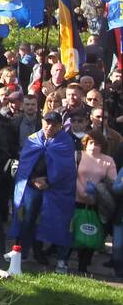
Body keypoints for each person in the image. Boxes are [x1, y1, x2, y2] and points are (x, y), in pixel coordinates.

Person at [9, 110, 77, 273]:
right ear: (42, 121)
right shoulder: (32, 140)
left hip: (57, 189)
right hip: (33, 186)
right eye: (47, 122)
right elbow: (24, 164)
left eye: (54, 124)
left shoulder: (66, 142)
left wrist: (49, 181)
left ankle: (62, 261)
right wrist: (33, 180)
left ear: (60, 125)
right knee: (27, 218)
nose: (49, 126)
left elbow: (66, 169)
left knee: (60, 221)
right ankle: (21, 253)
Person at [73, 130, 116, 274]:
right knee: (74, 231)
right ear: (85, 143)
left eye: (97, 143)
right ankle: (65, 260)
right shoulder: (78, 156)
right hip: (77, 199)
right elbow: (72, 175)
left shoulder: (108, 160)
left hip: (97, 203)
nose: (93, 146)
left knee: (91, 233)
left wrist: (98, 191)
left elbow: (112, 182)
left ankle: (83, 266)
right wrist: (81, 191)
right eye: (91, 142)